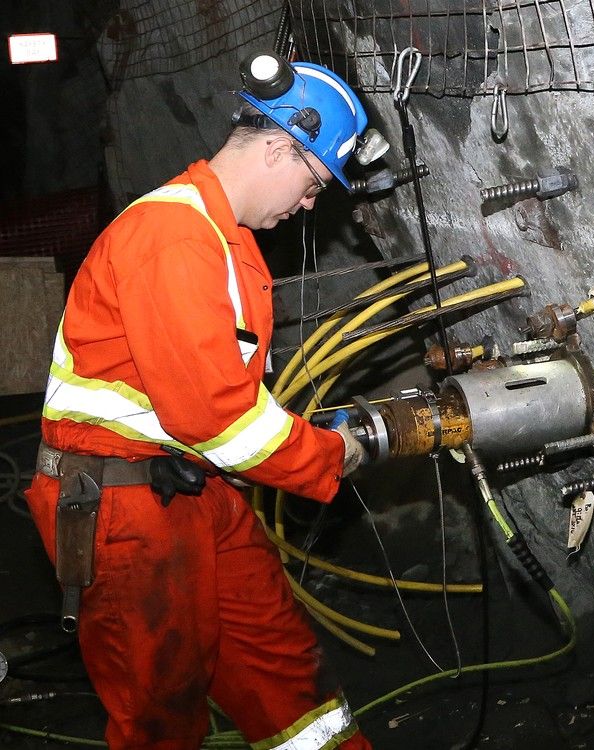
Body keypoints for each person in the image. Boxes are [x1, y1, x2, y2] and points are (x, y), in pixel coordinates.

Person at [25, 52, 376, 750]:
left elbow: (190, 396)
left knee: (281, 666)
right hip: (119, 509)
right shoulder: (174, 239)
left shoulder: (224, 241)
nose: (309, 204)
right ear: (280, 147)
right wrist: (337, 453)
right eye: (313, 184)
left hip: (180, 482)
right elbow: (218, 416)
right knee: (161, 710)